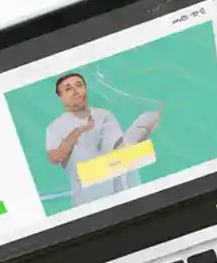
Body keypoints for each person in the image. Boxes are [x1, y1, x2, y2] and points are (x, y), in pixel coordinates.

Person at [45, 72, 151, 208]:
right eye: (68, 88)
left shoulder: (105, 115)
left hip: (120, 194)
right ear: (61, 96)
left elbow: (119, 150)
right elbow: (55, 157)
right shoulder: (55, 127)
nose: (75, 91)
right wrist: (77, 132)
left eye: (79, 85)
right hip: (87, 200)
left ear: (85, 88)